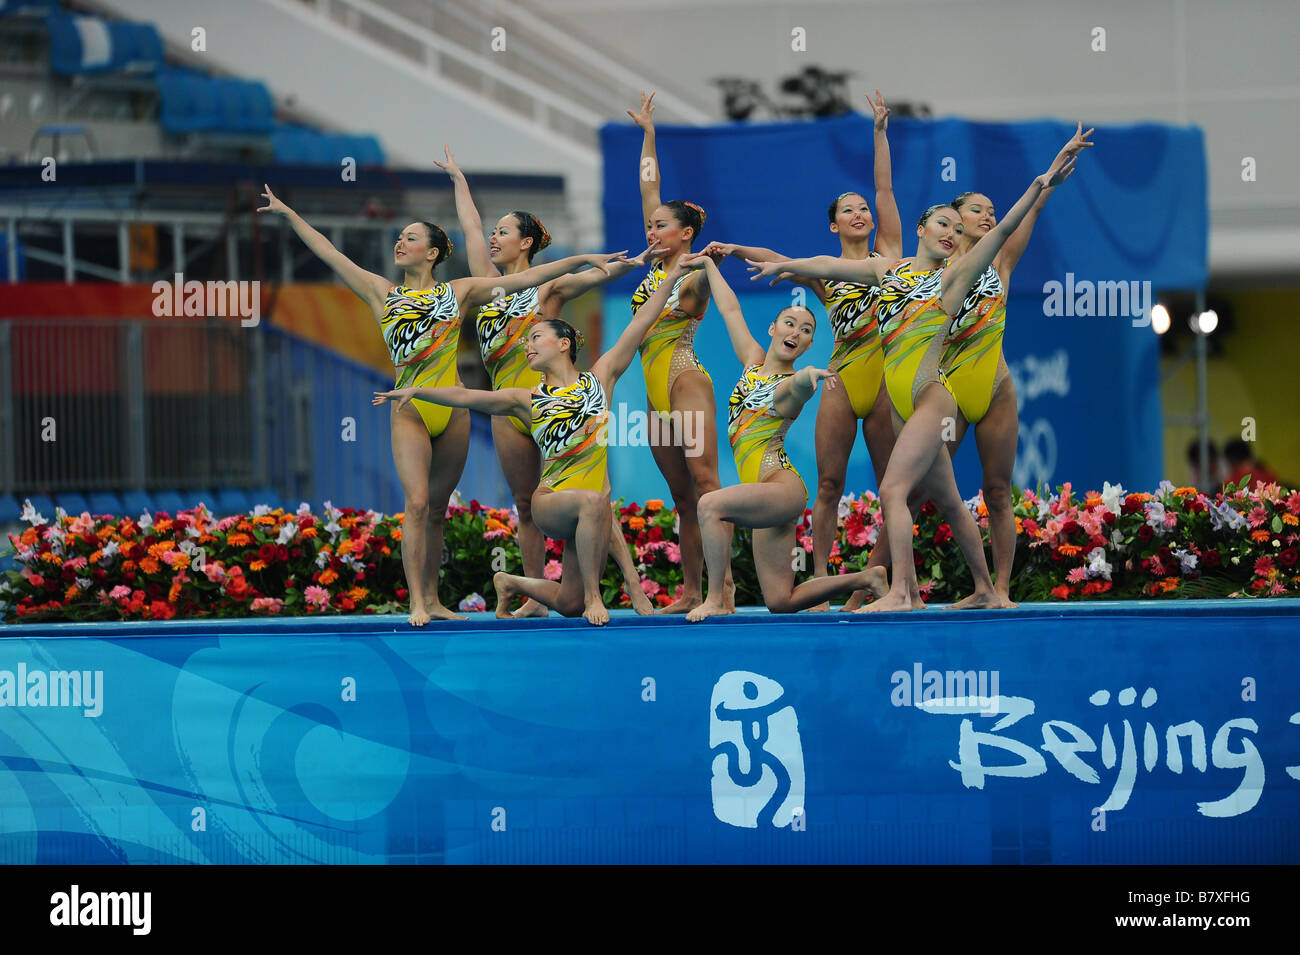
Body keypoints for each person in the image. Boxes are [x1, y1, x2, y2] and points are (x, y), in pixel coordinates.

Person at [258, 183, 621, 626]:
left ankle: (433, 599)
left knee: (437, 509)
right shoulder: (381, 293)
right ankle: (417, 601)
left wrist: (584, 258)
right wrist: (288, 213)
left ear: (431, 253)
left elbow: (526, 279)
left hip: (454, 409)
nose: (400, 242)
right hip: (411, 407)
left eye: (411, 238)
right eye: (400, 237)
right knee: (415, 503)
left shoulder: (459, 292)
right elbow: (330, 253)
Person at [750, 138, 1079, 611]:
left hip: (931, 398)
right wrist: (785, 265)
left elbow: (1005, 229)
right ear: (921, 229)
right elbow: (828, 265)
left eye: (955, 226)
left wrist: (1041, 182)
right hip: (903, 403)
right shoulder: (888, 272)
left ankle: (904, 592)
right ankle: (986, 590)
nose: (950, 231)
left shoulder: (952, 278)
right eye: (942, 223)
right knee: (945, 498)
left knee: (893, 489)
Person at [373, 255, 693, 626]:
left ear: (564, 344)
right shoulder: (525, 398)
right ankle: (596, 597)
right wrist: (415, 390)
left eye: (536, 337)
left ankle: (514, 583)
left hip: (589, 512)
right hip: (551, 503)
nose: (527, 344)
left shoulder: (600, 379)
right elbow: (467, 397)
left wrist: (670, 277)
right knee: (595, 500)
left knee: (569, 602)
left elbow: (640, 323)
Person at [702, 89, 903, 611]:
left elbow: (884, 187)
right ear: (834, 226)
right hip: (842, 377)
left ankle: (889, 582)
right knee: (830, 484)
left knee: (892, 489)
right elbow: (780, 260)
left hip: (884, 383)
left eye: (863, 209)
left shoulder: (891, 258)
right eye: (847, 211)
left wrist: (879, 133)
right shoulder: (821, 270)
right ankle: (818, 584)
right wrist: (736, 250)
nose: (860, 213)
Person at [434, 146, 654, 615]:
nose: (493, 238)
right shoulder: (487, 282)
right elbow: (470, 225)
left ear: (528, 242)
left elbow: (600, 273)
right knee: (526, 504)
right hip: (513, 406)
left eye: (504, 232)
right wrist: (458, 179)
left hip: (558, 403)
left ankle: (634, 587)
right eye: (494, 232)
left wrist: (637, 261)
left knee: (598, 497)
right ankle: (534, 593)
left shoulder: (549, 286)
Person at [935, 123, 1095, 603]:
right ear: (955, 220)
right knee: (934, 491)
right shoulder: (935, 270)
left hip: (996, 387)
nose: (988, 215)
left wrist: (1051, 172)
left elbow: (1035, 206)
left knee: (998, 492)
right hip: (949, 391)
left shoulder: (1001, 261)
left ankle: (998, 590)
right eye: (976, 210)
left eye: (991, 209)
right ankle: (938, 584)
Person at [681, 254, 888, 622]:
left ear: (809, 345)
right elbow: (729, 309)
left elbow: (796, 387)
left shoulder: (788, 386)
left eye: (806, 330)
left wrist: (807, 376)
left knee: (709, 505)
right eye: (789, 324)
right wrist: (709, 266)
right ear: (772, 329)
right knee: (780, 600)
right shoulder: (752, 363)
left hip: (781, 486)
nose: (796, 332)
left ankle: (713, 598)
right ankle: (868, 578)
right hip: (765, 498)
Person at [627, 90, 733, 614]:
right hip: (653, 394)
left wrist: (705, 262)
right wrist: (648, 133)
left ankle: (724, 591)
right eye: (650, 225)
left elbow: (704, 289)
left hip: (685, 379)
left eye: (661, 226)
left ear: (685, 234)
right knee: (683, 498)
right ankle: (693, 590)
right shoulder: (655, 269)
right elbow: (651, 184)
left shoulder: (695, 271)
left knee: (709, 485)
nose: (651, 230)